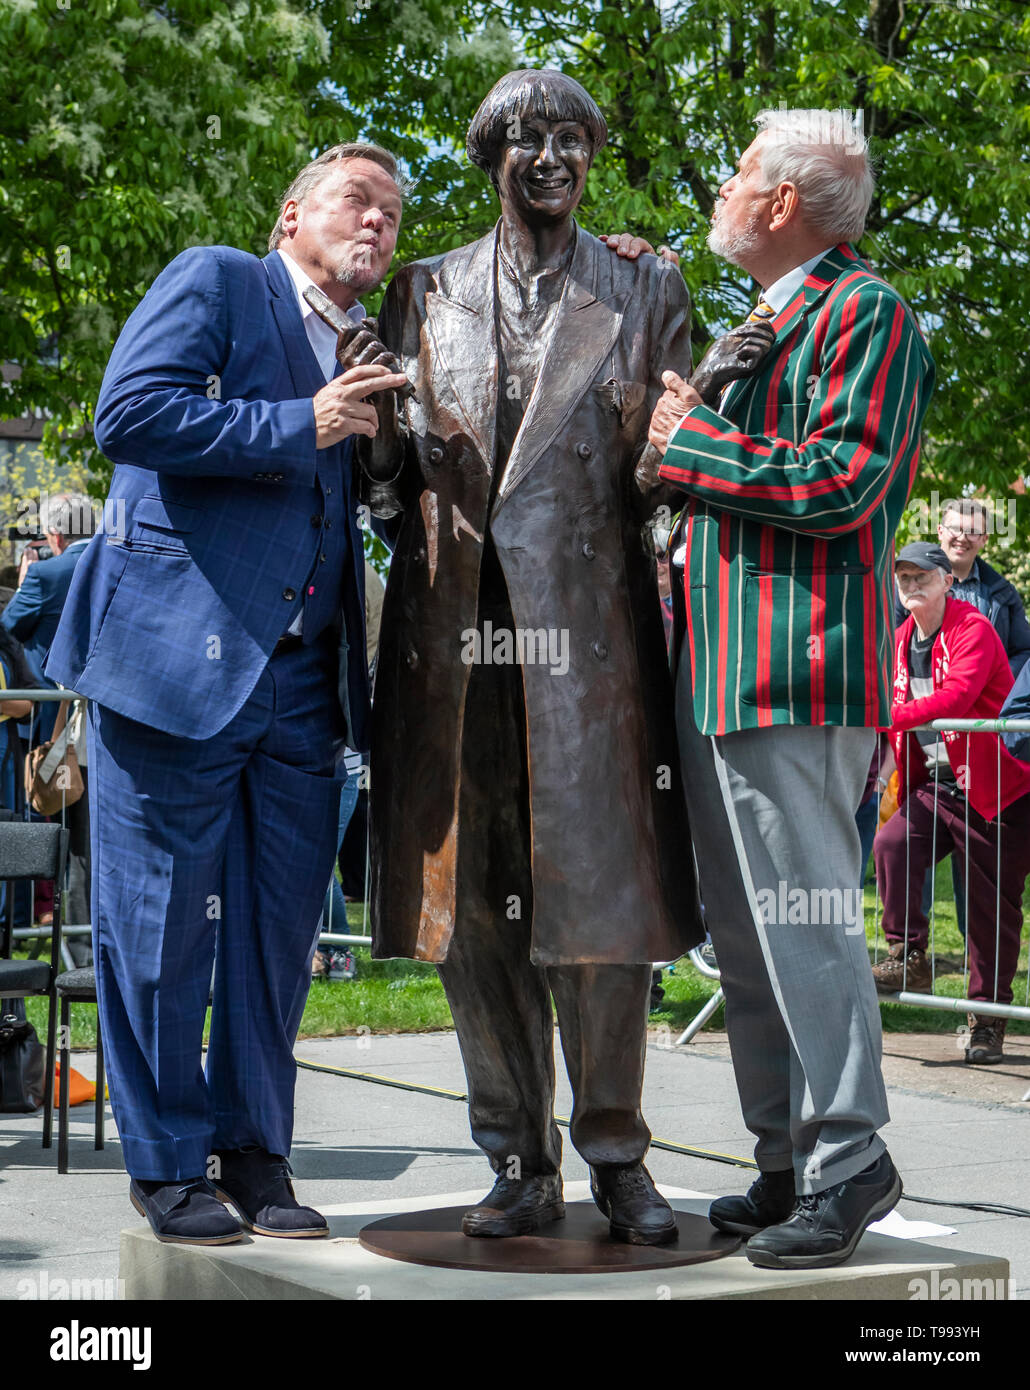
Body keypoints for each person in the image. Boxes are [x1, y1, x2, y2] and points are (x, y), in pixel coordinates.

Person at [355, 69, 704, 1245]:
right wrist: (379, 432)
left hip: (587, 654)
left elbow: (669, 462)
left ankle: (617, 1154)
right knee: (477, 918)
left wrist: (677, 444)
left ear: (592, 159)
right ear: (490, 156)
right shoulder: (423, 289)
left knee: (598, 912)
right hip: (454, 648)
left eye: (570, 138)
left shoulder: (646, 282)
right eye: (525, 138)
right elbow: (384, 481)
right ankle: (513, 1154)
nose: (549, 156)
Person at [45, 142, 410, 1245]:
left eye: (396, 215)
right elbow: (131, 415)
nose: (381, 225)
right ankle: (164, 1164)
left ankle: (255, 1151)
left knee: (274, 933)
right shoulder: (218, 279)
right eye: (361, 200)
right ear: (293, 210)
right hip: (173, 667)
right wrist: (303, 421)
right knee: (158, 930)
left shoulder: (367, 349)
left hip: (303, 684)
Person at [647, 108, 935, 1268]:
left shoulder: (868, 311)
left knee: (806, 922)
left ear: (779, 202)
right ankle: (788, 1157)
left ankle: (851, 1154)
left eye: (732, 174)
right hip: (724, 668)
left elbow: (844, 482)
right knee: (750, 934)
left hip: (796, 671)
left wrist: (685, 445)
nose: (716, 191)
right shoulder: (772, 315)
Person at [872, 543, 1030, 1064]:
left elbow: (958, 697)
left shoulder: (974, 629)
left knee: (988, 912)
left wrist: (892, 714)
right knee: (892, 842)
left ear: (946, 582)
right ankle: (909, 954)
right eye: (903, 579)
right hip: (937, 784)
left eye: (922, 577)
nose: (911, 586)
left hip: (994, 788)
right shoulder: (899, 639)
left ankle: (988, 1020)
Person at [894, 498, 1030, 933]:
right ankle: (912, 951)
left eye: (973, 530)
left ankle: (982, 986)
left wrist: (1002, 693)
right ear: (941, 531)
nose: (962, 536)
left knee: (981, 883)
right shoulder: (907, 607)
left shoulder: (999, 596)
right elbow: (898, 657)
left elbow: (1021, 650)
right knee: (899, 847)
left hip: (985, 751)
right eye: (955, 527)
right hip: (932, 756)